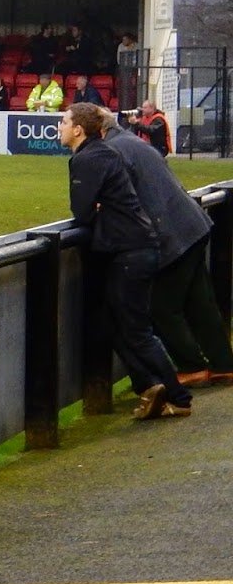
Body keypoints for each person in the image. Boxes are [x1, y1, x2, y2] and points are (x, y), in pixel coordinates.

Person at [61, 103, 193, 418]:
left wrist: (95, 212)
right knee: (116, 323)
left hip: (130, 251)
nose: (60, 126)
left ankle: (179, 397)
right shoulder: (101, 153)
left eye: (64, 121)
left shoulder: (87, 159)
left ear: (79, 129)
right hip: (134, 247)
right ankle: (151, 388)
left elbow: (80, 211)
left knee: (136, 329)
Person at [100, 108, 233, 382]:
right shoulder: (132, 141)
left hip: (171, 233)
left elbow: (126, 195)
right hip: (193, 224)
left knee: (161, 306)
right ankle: (223, 364)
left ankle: (191, 365)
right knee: (200, 303)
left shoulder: (114, 150)